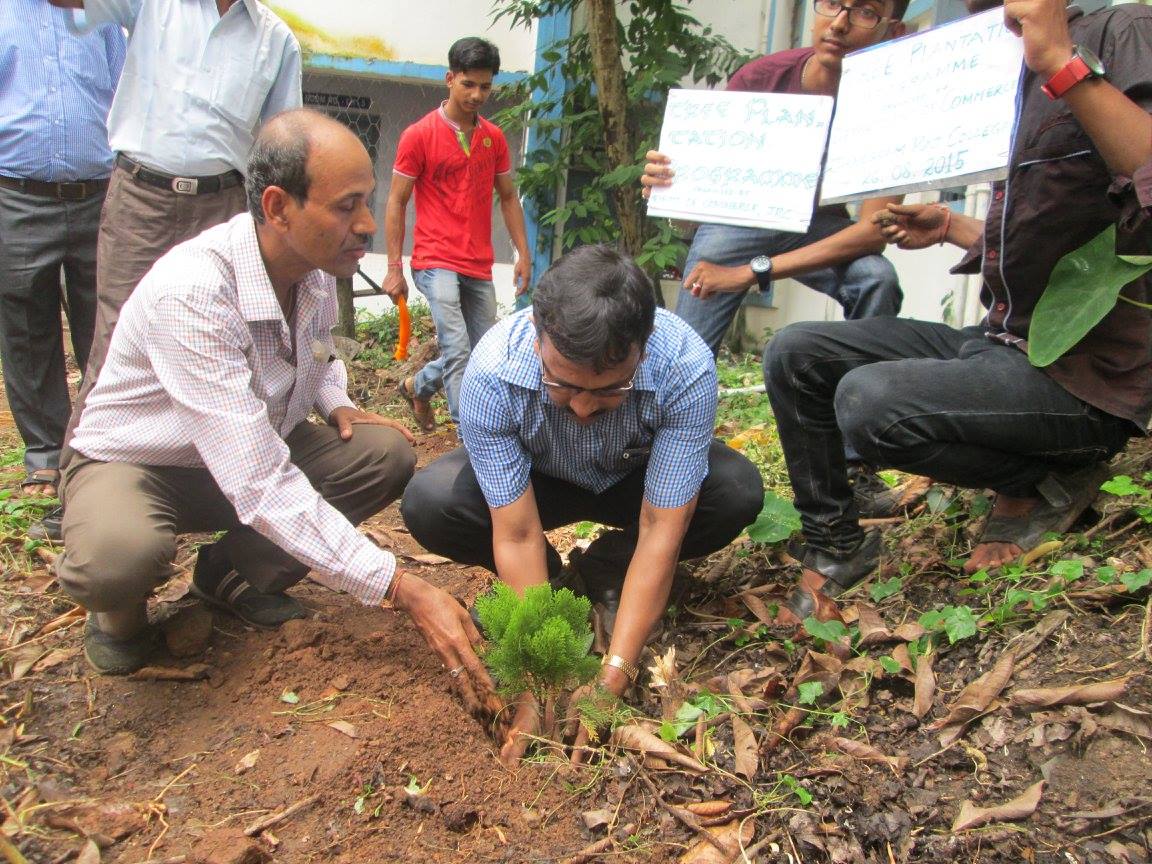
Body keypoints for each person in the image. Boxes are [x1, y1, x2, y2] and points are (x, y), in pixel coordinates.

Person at [54, 112, 501, 724]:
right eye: (346, 206)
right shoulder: (194, 293)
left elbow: (316, 354)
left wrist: (335, 398)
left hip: (243, 455)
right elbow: (260, 483)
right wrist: (401, 587)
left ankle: (230, 576)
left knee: (383, 454)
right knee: (118, 555)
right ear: (277, 206)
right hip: (142, 465)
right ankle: (118, 617)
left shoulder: (310, 274)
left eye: (367, 201)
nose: (368, 225)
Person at [762, 0, 1152, 622]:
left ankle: (1047, 475)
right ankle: (836, 545)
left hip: (1083, 377)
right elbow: (1048, 226)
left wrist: (1059, 59)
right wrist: (950, 225)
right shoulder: (987, 57)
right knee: (795, 352)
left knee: (870, 402)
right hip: (1000, 344)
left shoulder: (1121, 32)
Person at [401, 244, 765, 760]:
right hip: (540, 483)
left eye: (611, 390)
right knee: (433, 500)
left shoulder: (685, 366)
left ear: (643, 348)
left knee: (734, 491)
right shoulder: (492, 372)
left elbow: (661, 527)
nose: (584, 406)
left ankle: (611, 567)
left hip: (635, 481)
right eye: (563, 385)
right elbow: (517, 532)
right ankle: (552, 584)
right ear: (537, 336)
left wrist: (614, 675)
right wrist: (538, 683)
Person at [36, 0, 303, 541]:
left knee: (229, 344)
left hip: (224, 204)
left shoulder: (277, 40)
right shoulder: (154, 4)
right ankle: (79, 495)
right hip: (142, 199)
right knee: (113, 341)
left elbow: (284, 142)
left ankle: (224, 491)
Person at [640, 0, 910, 357]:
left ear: (894, 31)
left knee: (877, 279)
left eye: (865, 12)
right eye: (832, 3)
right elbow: (698, 199)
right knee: (687, 351)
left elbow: (874, 232)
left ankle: (856, 387)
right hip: (739, 222)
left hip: (820, 226)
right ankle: (678, 383)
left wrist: (750, 273)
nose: (839, 23)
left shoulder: (895, 103)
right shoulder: (761, 79)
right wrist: (669, 188)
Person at [0, 2, 124, 499]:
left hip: (100, 193)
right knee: (27, 327)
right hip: (16, 191)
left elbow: (125, 92)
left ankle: (98, 447)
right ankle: (46, 455)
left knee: (107, 325)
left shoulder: (104, 16)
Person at [384, 36, 531, 432]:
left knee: (484, 353)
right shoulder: (418, 134)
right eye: (468, 84)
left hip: (478, 263)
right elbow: (396, 201)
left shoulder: (494, 138)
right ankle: (470, 435)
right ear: (450, 79)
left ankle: (417, 386)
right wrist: (394, 267)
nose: (477, 94)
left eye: (485, 86)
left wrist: (523, 254)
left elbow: (508, 197)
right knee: (458, 346)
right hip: (434, 260)